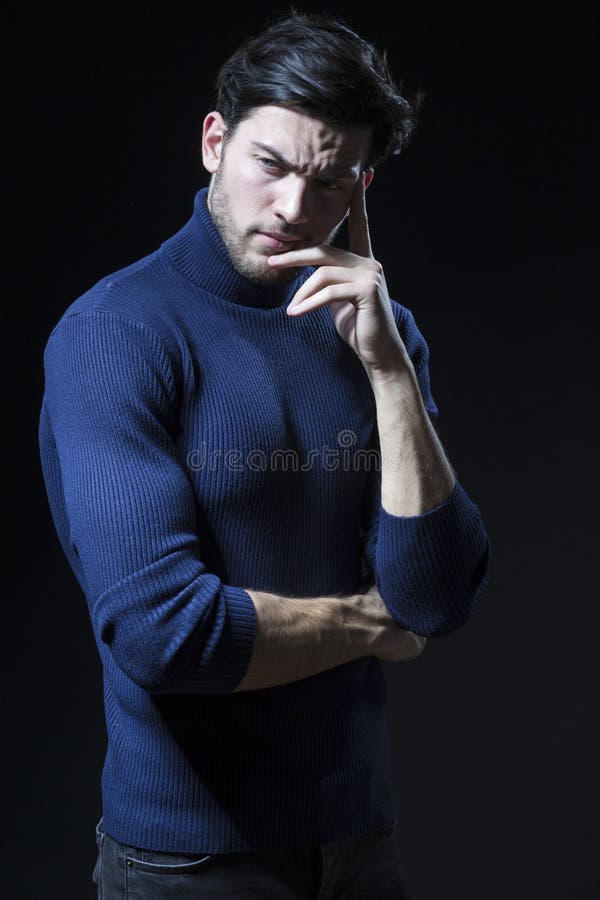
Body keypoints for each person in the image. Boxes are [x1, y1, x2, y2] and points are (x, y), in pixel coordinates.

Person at [38, 9, 492, 898]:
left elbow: (436, 597)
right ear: (215, 141)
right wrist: (367, 624)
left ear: (361, 188)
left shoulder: (380, 333)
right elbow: (163, 633)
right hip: (188, 866)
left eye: (330, 183)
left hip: (360, 847)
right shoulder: (116, 332)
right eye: (270, 165)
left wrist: (390, 373)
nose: (293, 208)